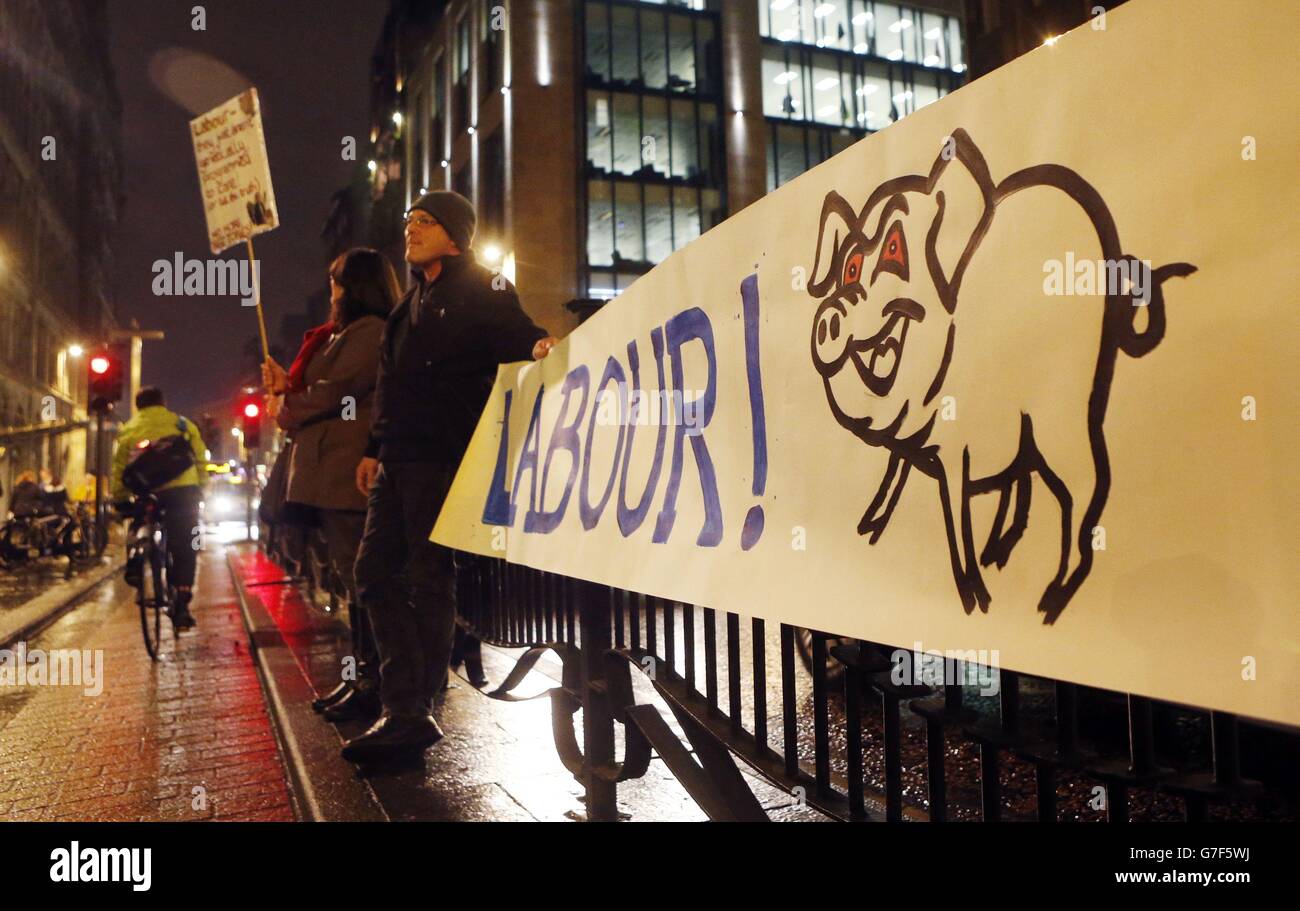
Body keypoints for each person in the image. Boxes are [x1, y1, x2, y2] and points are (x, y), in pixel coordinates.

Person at [341, 190, 556, 763]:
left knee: (427, 575)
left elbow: (521, 333)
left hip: (445, 456)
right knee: (373, 574)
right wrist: (373, 448)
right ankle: (404, 699)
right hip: (397, 461)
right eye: (409, 220)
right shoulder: (404, 307)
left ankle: (411, 710)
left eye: (425, 221)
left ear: (455, 233)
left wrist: (541, 345)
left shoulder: (482, 287)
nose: (410, 229)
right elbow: (390, 384)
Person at [262, 248, 399, 723]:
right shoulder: (343, 334)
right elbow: (319, 385)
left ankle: (377, 682)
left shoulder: (370, 332)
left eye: (338, 282)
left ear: (357, 286)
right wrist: (288, 385)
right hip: (328, 475)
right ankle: (363, 674)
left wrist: (290, 406)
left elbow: (335, 391)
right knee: (349, 577)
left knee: (363, 577)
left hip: (346, 474)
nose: (332, 291)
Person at [111, 387, 207, 629]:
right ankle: (183, 601)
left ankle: (136, 556)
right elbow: (200, 458)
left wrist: (120, 499)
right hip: (183, 491)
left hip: (149, 491)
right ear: (163, 403)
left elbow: (119, 469)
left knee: (138, 520)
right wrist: (200, 487)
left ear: (138, 406)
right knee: (186, 543)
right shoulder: (182, 424)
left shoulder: (129, 429)